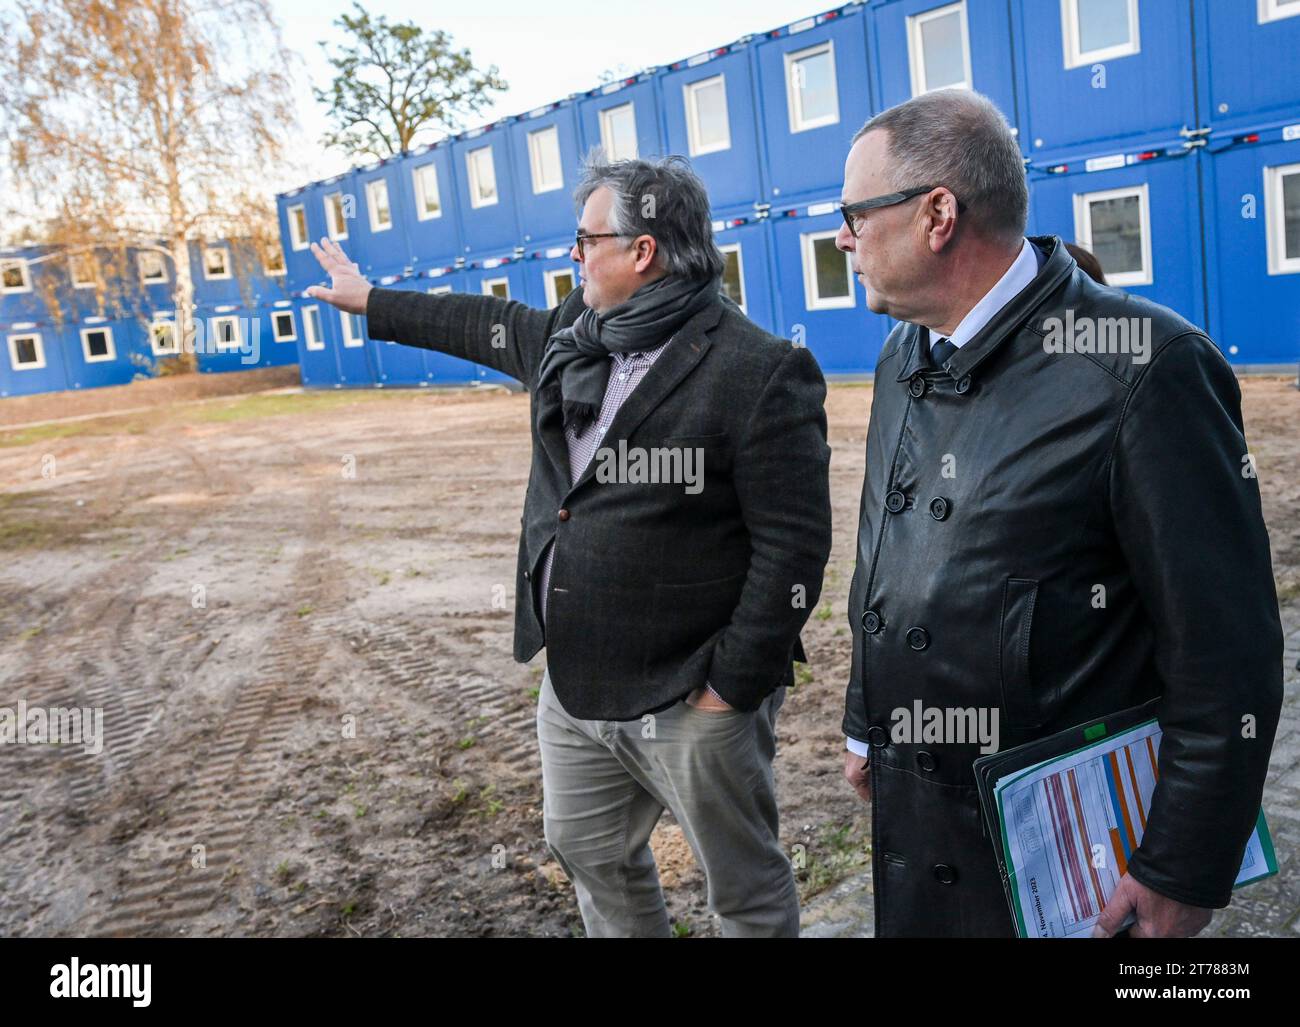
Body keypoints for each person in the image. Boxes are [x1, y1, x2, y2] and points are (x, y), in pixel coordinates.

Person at [307, 154, 833, 937]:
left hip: (691, 691)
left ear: (642, 251)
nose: (573, 254)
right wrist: (372, 300)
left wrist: (730, 687)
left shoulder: (757, 368)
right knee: (588, 850)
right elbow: (477, 325)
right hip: (577, 679)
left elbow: (793, 546)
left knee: (743, 890)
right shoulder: (574, 338)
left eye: (586, 239)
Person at [834, 89, 1283, 938]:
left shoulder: (1144, 369)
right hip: (921, 811)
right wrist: (868, 716)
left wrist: (1183, 863)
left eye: (855, 212)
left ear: (937, 214)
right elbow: (883, 552)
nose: (842, 238)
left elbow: (1229, 650)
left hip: (1070, 856)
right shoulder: (904, 352)